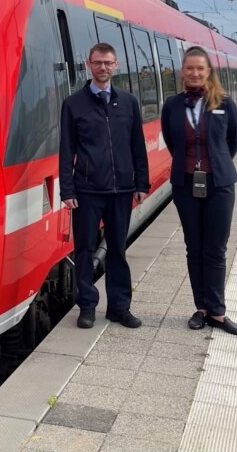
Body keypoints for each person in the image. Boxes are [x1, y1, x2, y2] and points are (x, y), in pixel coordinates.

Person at [59, 43, 150, 329]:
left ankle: (119, 308)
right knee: (85, 250)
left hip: (122, 190)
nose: (103, 68)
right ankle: (87, 306)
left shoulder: (128, 102)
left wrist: (141, 182)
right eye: (98, 63)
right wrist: (67, 190)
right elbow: (66, 150)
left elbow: (138, 145)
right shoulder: (73, 104)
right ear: (89, 64)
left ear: (116, 65)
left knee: (118, 251)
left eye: (108, 63)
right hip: (87, 191)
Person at [160, 46, 237, 336]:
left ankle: (218, 312)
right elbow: (172, 141)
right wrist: (190, 164)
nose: (195, 73)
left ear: (209, 72)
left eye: (200, 68)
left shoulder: (225, 103)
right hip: (186, 185)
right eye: (189, 69)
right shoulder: (172, 105)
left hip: (219, 184)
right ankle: (201, 308)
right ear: (182, 72)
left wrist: (215, 165)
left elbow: (233, 141)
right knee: (193, 247)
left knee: (216, 249)